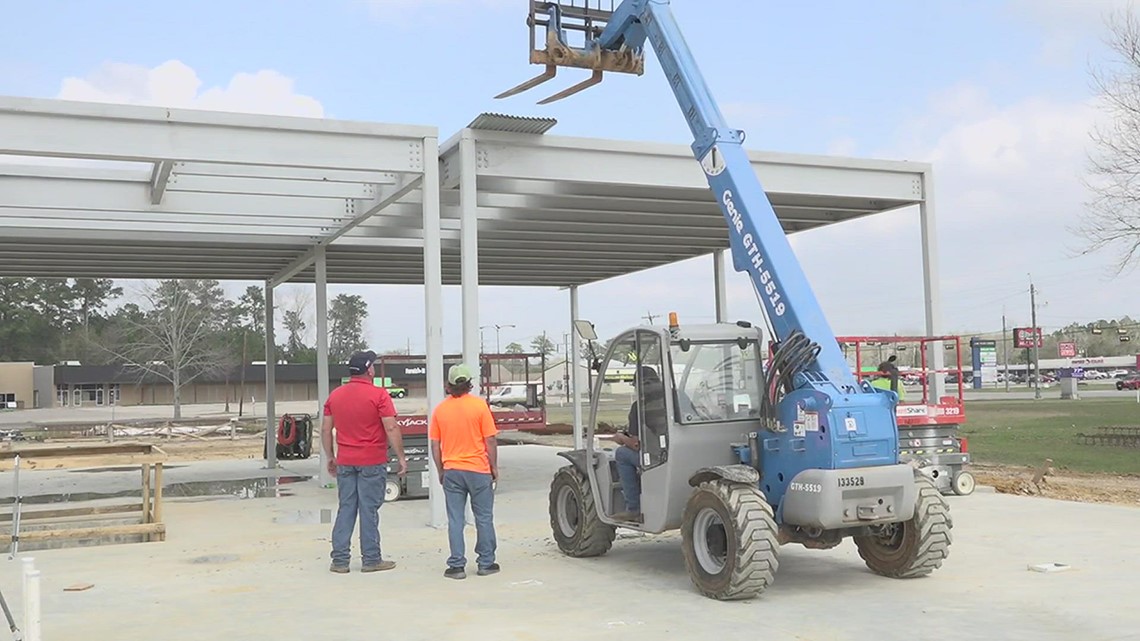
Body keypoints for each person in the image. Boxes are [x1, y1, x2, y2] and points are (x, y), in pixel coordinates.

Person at [320, 349, 407, 574]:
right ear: (369, 370)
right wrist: (401, 456)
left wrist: (331, 456)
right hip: (372, 460)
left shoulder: (335, 396)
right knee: (369, 510)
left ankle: (339, 560)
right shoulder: (379, 395)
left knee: (346, 507)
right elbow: (391, 426)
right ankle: (371, 559)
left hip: (345, 461)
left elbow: (326, 429)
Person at [429, 363, 500, 580]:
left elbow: (434, 444)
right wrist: (493, 467)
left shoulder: (440, 410)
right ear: (469, 384)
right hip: (478, 470)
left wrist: (441, 470)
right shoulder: (480, 407)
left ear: (448, 385)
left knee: (456, 520)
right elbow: (490, 440)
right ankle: (486, 563)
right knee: (484, 518)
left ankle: (457, 565)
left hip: (452, 471)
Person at [612, 365, 667, 523]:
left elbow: (636, 444)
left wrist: (621, 438)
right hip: (680, 452)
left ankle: (633, 509)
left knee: (622, 454)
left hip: (660, 457)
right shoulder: (678, 397)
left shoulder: (639, 407)